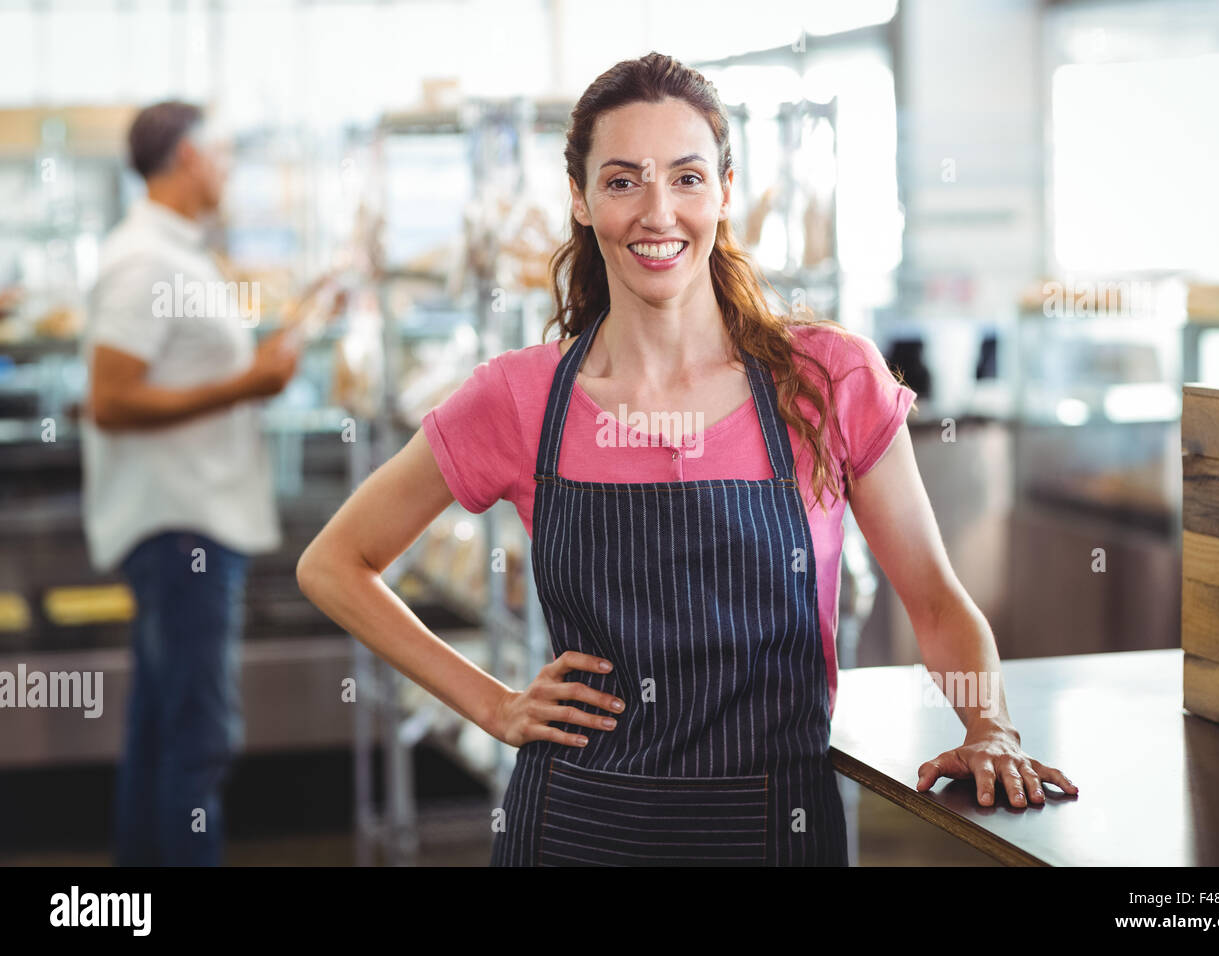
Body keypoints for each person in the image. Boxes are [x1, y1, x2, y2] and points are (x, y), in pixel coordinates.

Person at [297, 52, 1077, 867]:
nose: (657, 212)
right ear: (581, 198)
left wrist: (991, 727)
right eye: (624, 180)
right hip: (575, 828)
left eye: (687, 177)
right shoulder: (521, 398)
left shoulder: (825, 380)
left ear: (725, 192)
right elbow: (335, 563)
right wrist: (492, 706)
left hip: (778, 830)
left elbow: (937, 601)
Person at [83, 100, 299, 866]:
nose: (227, 168)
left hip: (186, 521)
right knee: (199, 740)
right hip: (181, 529)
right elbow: (109, 398)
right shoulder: (148, 259)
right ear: (182, 158)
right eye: (219, 153)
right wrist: (248, 386)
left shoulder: (178, 252)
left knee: (161, 728)